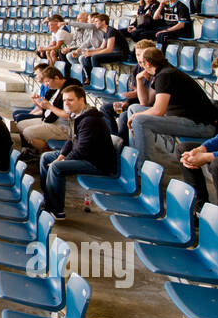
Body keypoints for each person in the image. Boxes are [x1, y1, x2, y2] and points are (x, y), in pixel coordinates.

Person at [39, 85, 118, 219]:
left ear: (82, 100)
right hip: (85, 156)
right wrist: (61, 156)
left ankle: (57, 210)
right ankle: (48, 200)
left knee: (57, 167)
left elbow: (81, 150)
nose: (66, 103)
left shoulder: (90, 120)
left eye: (70, 100)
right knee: (46, 157)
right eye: (64, 100)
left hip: (97, 163)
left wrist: (61, 161)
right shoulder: (76, 115)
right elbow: (70, 140)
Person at [127, 46, 218, 163]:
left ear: (148, 64)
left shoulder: (166, 75)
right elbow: (145, 102)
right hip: (183, 118)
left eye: (141, 63)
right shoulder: (162, 71)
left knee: (140, 120)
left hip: (200, 125)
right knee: (133, 109)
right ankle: (134, 158)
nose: (140, 66)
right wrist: (139, 80)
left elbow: (158, 111)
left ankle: (141, 170)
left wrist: (137, 116)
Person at [13, 66, 70, 155]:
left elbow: (68, 115)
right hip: (49, 120)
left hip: (62, 126)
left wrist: (50, 107)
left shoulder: (68, 91)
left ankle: (48, 153)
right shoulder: (55, 90)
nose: (46, 84)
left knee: (28, 132)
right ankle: (35, 150)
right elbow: (46, 109)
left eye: (48, 81)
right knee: (21, 124)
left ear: (56, 78)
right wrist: (38, 102)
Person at [78, 14, 129, 83]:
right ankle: (90, 78)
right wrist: (90, 51)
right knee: (85, 57)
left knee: (94, 57)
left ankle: (99, 80)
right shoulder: (106, 32)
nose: (94, 23)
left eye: (96, 21)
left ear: (103, 22)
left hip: (121, 54)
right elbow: (102, 47)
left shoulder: (111, 31)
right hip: (114, 53)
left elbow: (109, 49)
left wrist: (92, 53)